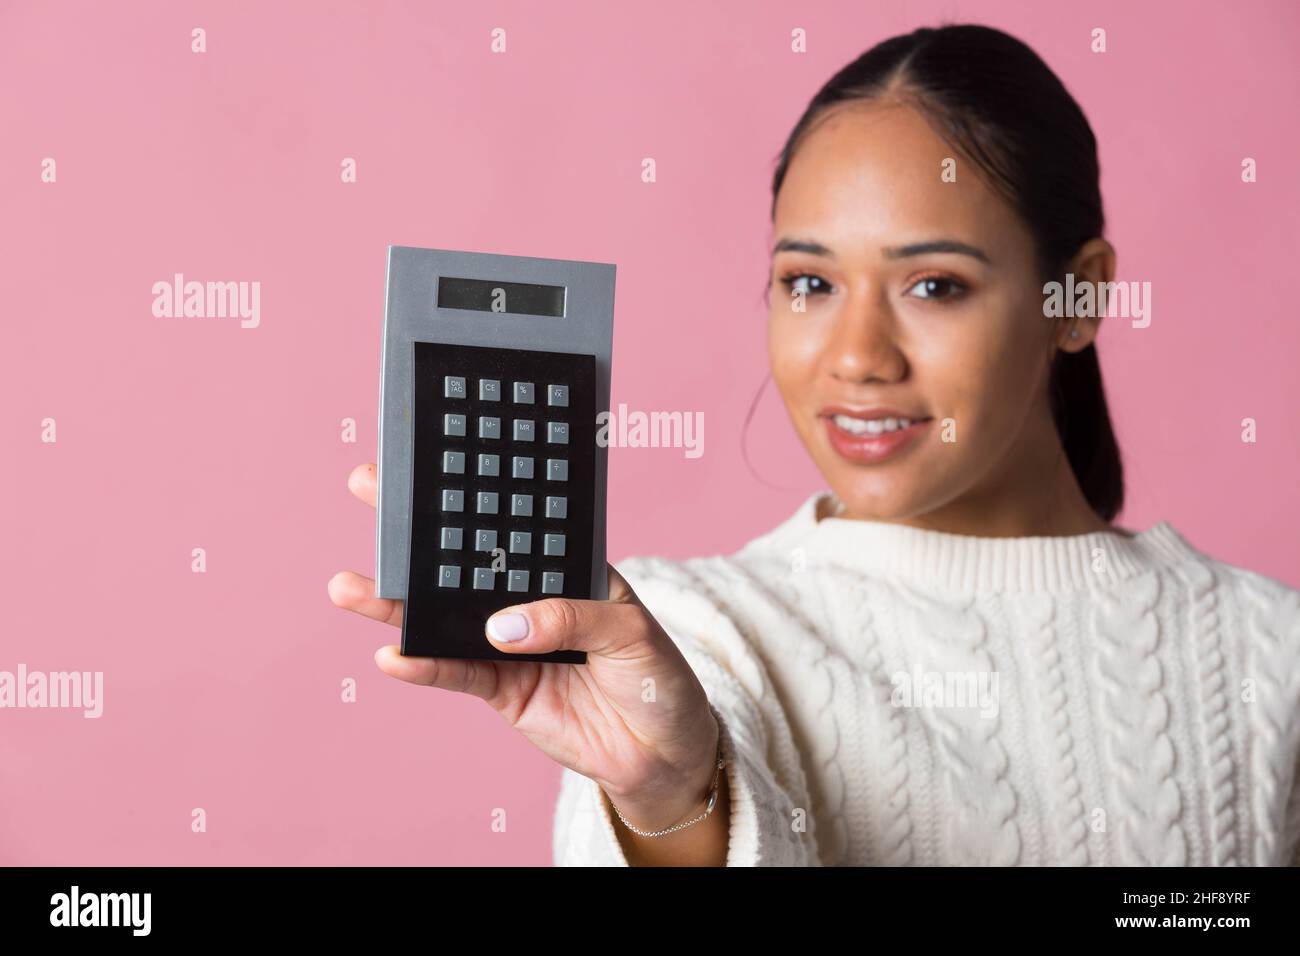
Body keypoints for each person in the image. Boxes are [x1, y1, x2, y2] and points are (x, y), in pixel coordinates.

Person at [329, 23, 1300, 866]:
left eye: (933, 285)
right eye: (809, 282)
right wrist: (667, 803)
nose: (856, 358)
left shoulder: (1270, 652)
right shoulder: (689, 636)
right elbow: (674, 771)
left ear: (1076, 297)